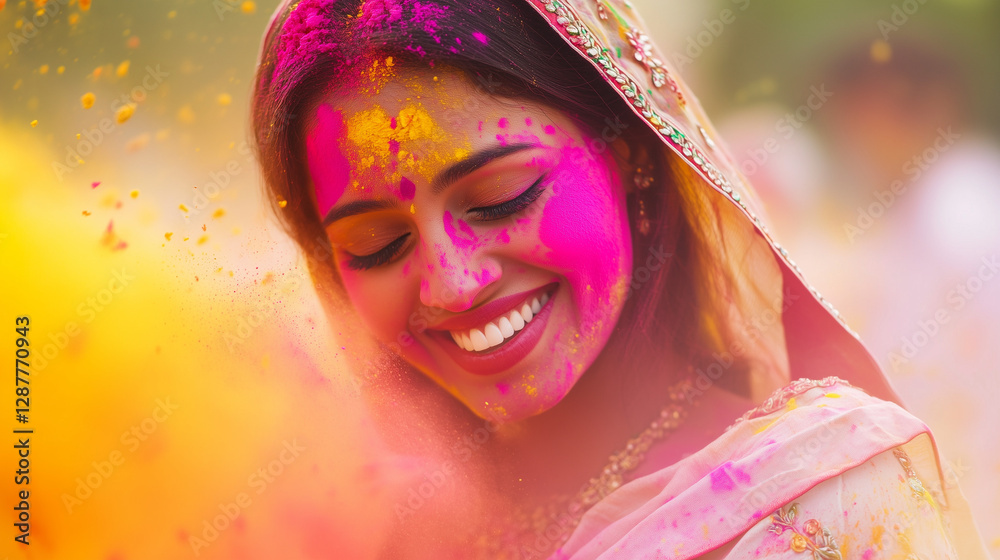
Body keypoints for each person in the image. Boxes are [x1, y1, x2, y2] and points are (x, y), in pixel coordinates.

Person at [250, 0, 990, 558]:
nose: (449, 284)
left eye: (499, 199)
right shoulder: (363, 524)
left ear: (630, 148)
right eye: (377, 243)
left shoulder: (828, 496)